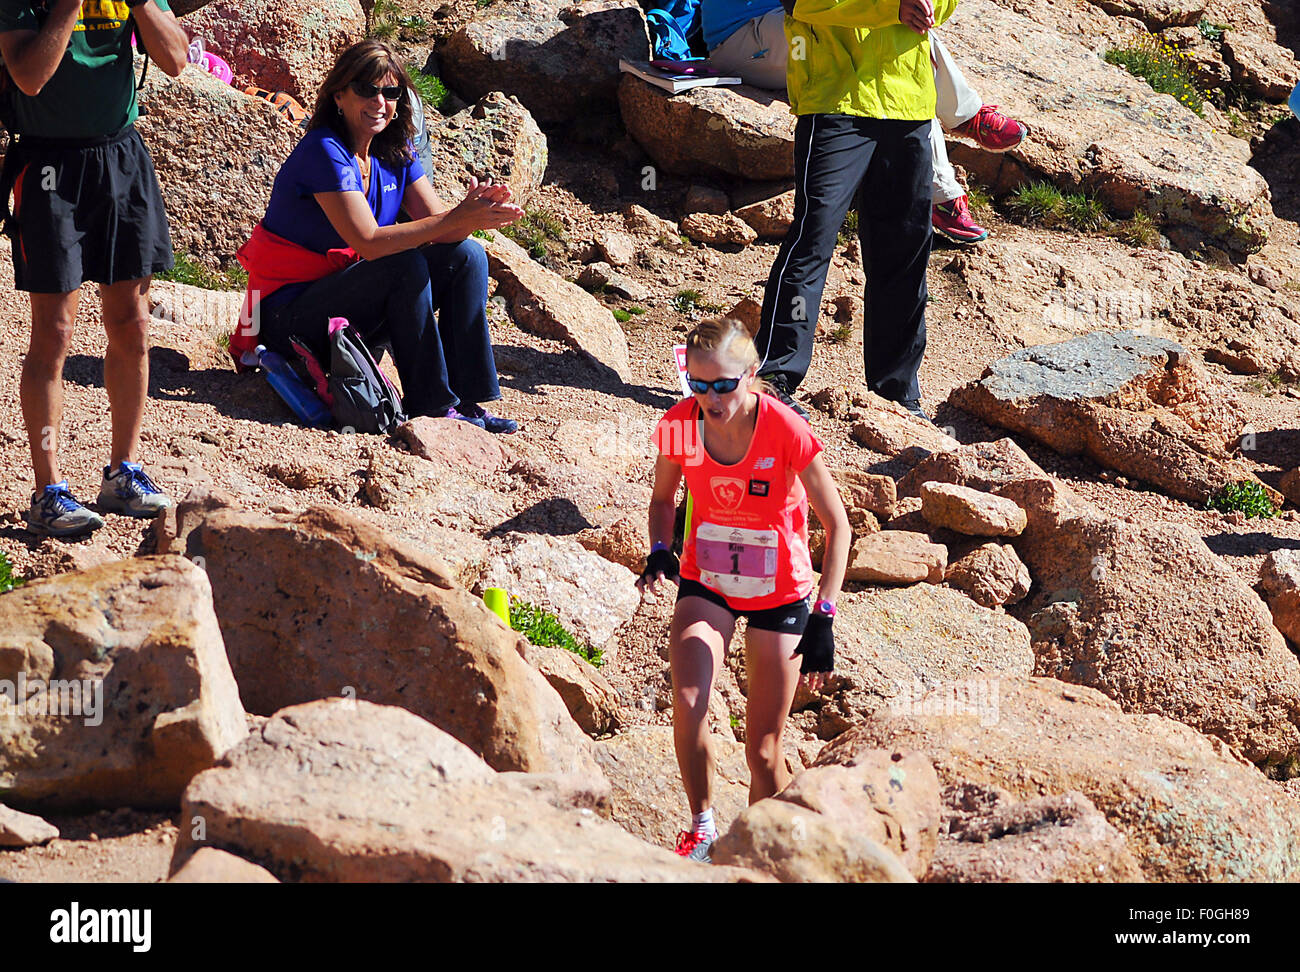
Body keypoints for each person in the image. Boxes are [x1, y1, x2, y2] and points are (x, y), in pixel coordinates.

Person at [638, 317, 850, 863]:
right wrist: (662, 547)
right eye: (699, 385)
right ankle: (703, 829)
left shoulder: (784, 430)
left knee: (763, 751)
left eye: (724, 385)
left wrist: (824, 613)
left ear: (750, 376)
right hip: (707, 584)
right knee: (688, 701)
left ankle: (767, 849)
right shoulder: (681, 425)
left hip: (780, 594)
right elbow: (664, 500)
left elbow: (838, 524)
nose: (711, 398)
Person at [232, 39, 523, 433]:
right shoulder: (324, 150)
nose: (379, 102)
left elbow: (441, 224)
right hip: (286, 319)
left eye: (390, 92)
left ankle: (465, 400)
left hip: (344, 303)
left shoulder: (394, 149)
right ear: (339, 95)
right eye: (366, 89)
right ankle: (431, 404)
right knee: (404, 265)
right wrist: (457, 217)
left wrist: (476, 213)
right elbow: (368, 241)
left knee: (467, 256)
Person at [0, 0, 189, 537]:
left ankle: (123, 470)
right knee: (54, 332)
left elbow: (175, 59)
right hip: (49, 166)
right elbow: (29, 77)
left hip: (121, 158)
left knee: (132, 324)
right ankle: (48, 490)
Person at [755, 0, 957, 425]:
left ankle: (896, 392)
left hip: (908, 105)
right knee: (813, 239)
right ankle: (774, 378)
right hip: (835, 100)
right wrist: (893, 8)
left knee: (904, 254)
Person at [701, 0, 1025, 244]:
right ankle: (965, 121)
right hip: (744, 39)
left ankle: (945, 187)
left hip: (797, 29)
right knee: (888, 25)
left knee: (898, 39)